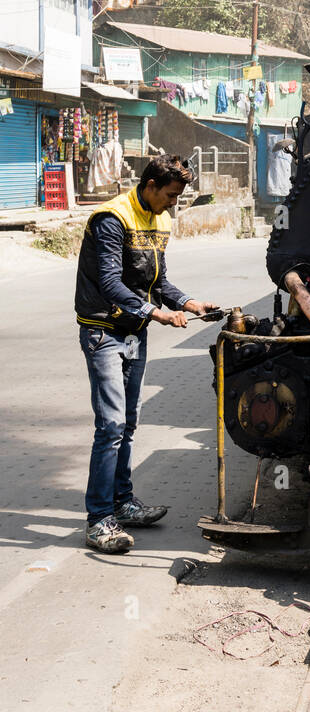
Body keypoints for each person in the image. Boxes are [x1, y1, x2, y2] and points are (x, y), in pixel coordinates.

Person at [76, 156, 218, 555]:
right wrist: (156, 313)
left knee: (129, 423)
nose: (173, 204)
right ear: (151, 185)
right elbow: (108, 282)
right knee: (111, 426)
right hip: (103, 331)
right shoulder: (112, 218)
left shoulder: (161, 220)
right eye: (170, 196)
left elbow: (156, 280)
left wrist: (189, 303)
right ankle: (99, 519)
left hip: (133, 332)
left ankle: (122, 502)